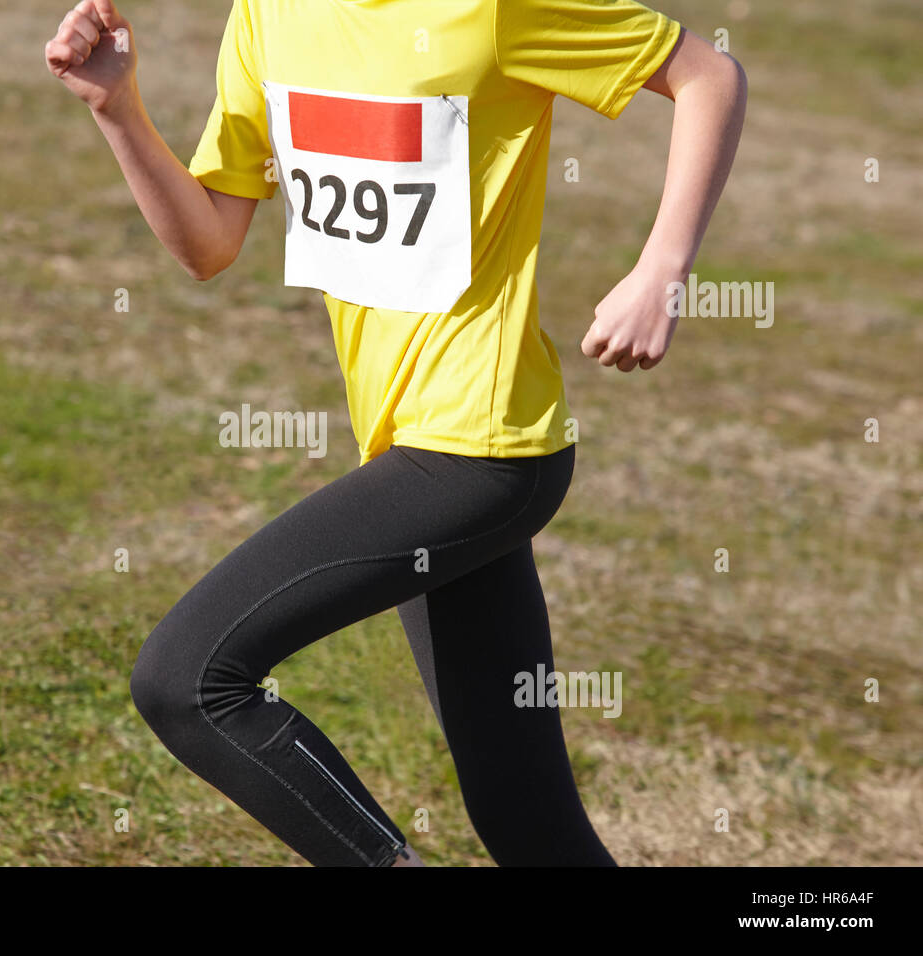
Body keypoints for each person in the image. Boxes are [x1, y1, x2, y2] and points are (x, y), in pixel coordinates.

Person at [46, 0, 746, 866]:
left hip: (483, 447)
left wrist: (662, 269)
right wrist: (117, 108)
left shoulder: (489, 9)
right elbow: (209, 242)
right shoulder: (268, 15)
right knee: (529, 824)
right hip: (409, 443)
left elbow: (708, 75)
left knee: (187, 679)